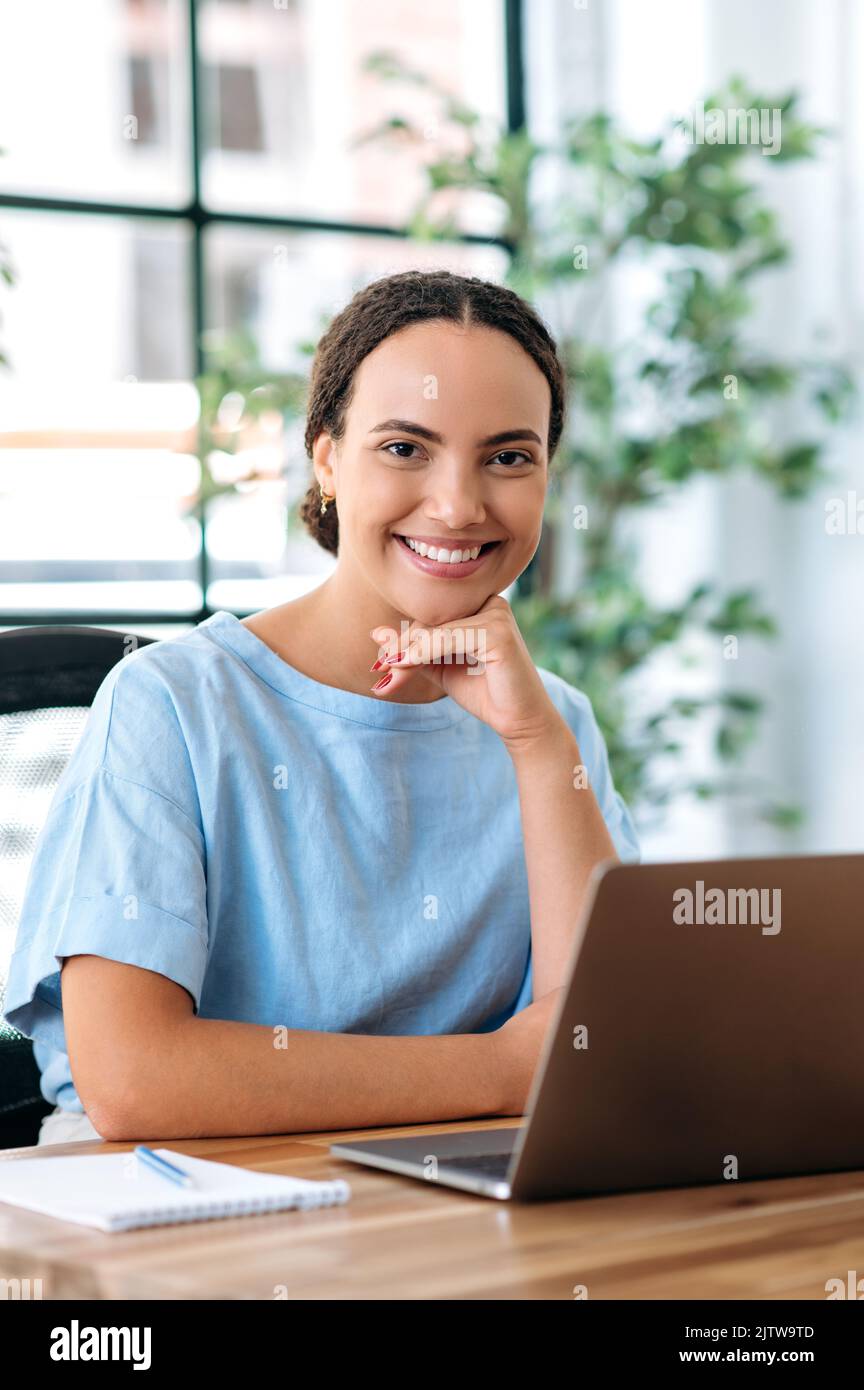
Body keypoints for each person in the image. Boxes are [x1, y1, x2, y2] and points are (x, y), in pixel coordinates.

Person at [4, 269, 639, 1146]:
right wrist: (499, 1069)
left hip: (437, 1208)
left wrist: (535, 745)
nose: (458, 505)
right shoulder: (172, 707)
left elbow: (599, 1048)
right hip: (178, 1209)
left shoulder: (550, 721)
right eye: (405, 448)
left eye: (507, 456)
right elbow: (133, 1079)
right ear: (328, 457)